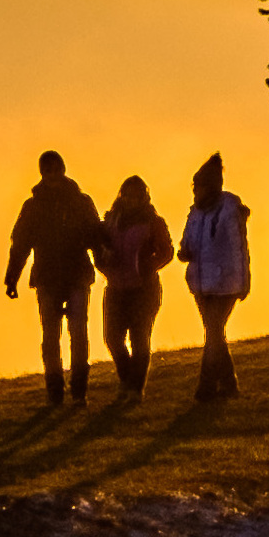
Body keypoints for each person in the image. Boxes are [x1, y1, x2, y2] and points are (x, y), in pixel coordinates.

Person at [1, 149, 103, 407]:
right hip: (48, 278)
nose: (54, 175)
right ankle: (55, 391)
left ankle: (79, 391)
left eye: (57, 169)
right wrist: (12, 278)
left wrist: (106, 264)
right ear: (42, 173)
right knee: (51, 336)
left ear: (63, 169)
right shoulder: (33, 206)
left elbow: (96, 235)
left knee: (78, 332)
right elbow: (20, 244)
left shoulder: (80, 201)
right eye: (49, 170)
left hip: (77, 274)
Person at [181, 153, 253, 401]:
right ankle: (229, 385)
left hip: (225, 283)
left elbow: (239, 247)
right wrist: (184, 252)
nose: (195, 191)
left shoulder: (229, 209)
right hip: (201, 283)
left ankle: (206, 388)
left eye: (199, 186)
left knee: (212, 333)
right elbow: (188, 242)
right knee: (215, 334)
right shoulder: (196, 213)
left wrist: (243, 281)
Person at [95, 173, 174, 399]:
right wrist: (104, 264)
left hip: (144, 288)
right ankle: (128, 379)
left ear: (144, 198)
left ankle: (135, 388)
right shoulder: (110, 221)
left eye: (136, 196)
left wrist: (148, 265)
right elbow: (99, 250)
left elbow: (167, 252)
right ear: (122, 196)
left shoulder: (153, 221)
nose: (131, 200)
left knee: (140, 339)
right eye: (128, 195)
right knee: (113, 338)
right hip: (116, 288)